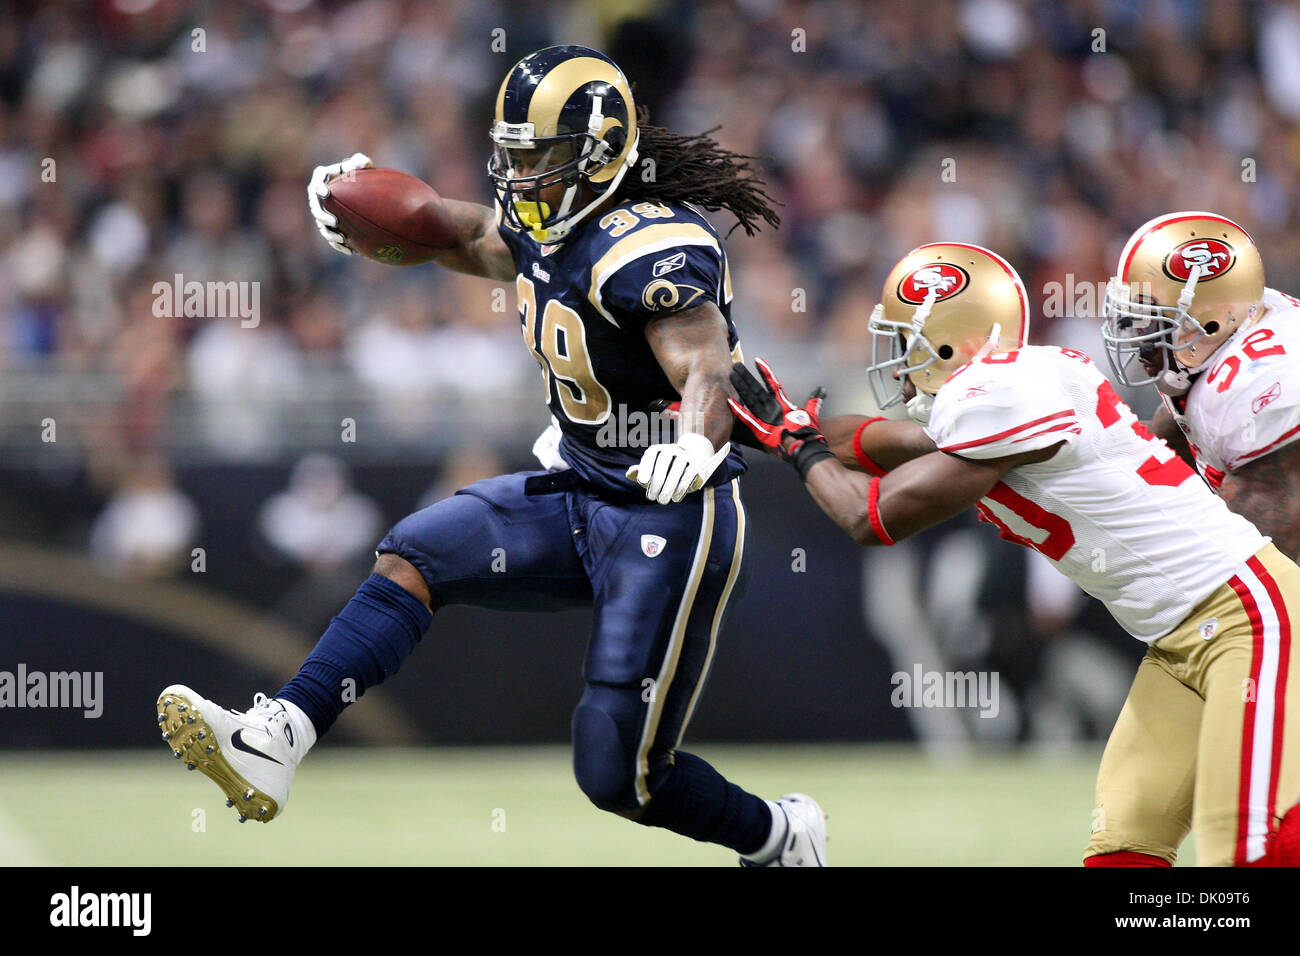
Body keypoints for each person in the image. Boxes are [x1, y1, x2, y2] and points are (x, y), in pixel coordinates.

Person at [156, 45, 825, 866]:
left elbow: (708, 362)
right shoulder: (552, 222)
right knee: (414, 555)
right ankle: (278, 735)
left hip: (673, 514)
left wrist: (695, 437)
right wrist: (368, 214)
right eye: (512, 154)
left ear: (600, 151)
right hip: (581, 487)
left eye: (540, 158)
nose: (521, 175)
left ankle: (782, 836)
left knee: (618, 774)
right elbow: (474, 231)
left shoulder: (649, 245)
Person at [727, 241, 1300, 866]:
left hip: (1247, 616)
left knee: (1247, 852)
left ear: (950, 340)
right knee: (1122, 851)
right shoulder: (1015, 382)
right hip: (1179, 635)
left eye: (906, 341)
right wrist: (779, 429)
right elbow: (880, 442)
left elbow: (872, 517)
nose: (897, 361)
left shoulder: (998, 397)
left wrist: (799, 449)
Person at [1101, 210, 1300, 561]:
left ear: (1209, 323)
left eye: (1150, 320)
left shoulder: (1257, 391)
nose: (1136, 338)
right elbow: (1173, 435)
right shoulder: (1235, 324)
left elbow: (1247, 572)